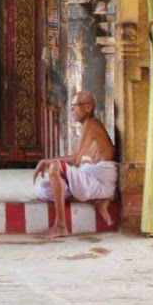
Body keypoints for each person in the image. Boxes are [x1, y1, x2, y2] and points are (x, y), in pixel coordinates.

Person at [33, 91, 118, 238]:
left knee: (55, 166)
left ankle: (60, 226)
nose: (71, 110)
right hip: (95, 181)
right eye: (71, 106)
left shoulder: (91, 124)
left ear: (88, 108)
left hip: (100, 181)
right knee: (42, 189)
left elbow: (75, 160)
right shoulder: (89, 125)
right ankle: (96, 202)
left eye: (75, 106)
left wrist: (46, 161)